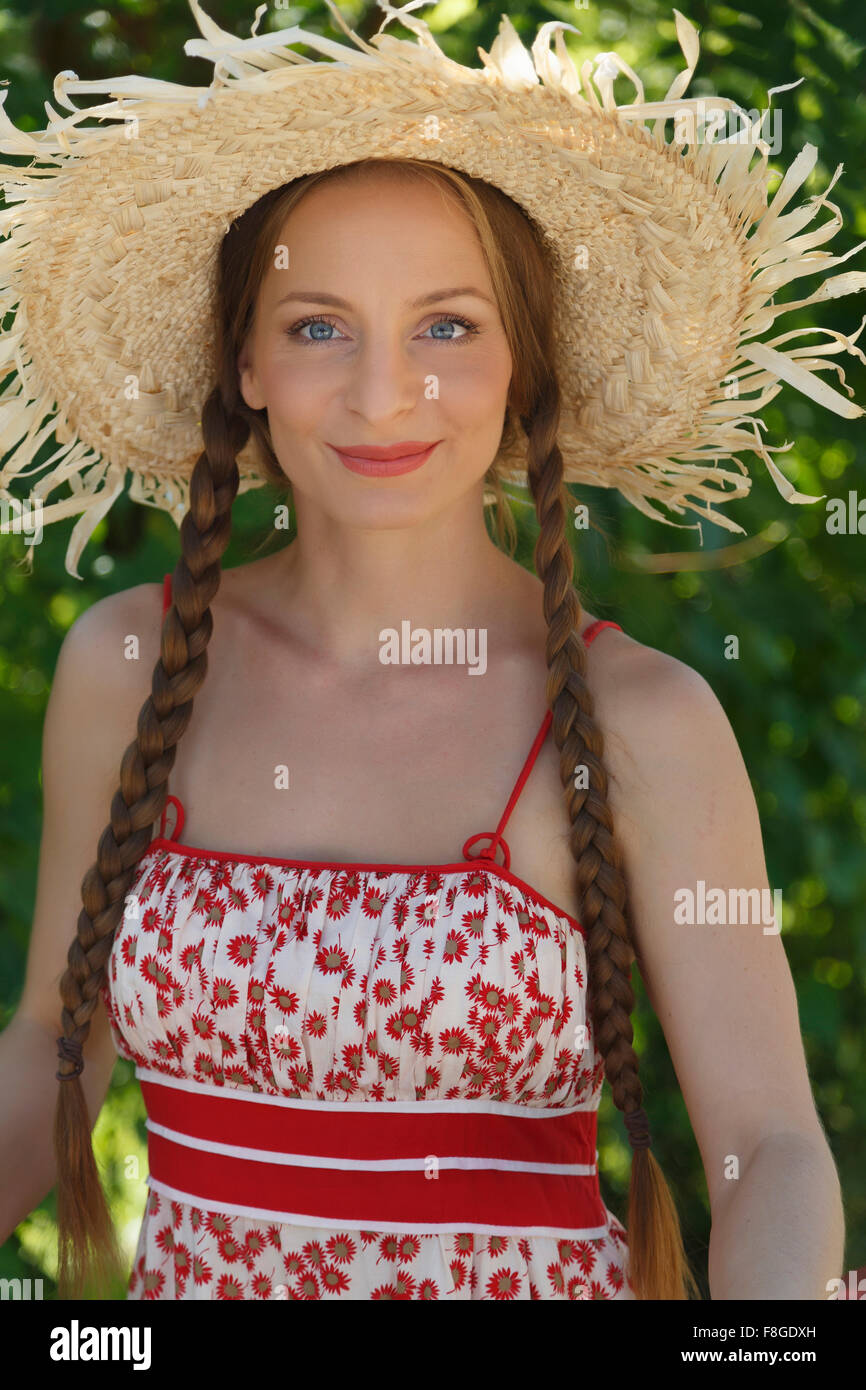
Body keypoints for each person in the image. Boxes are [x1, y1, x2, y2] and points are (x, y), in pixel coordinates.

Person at [0, 1, 855, 1301]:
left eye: (447, 326)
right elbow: (49, 1042)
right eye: (318, 326)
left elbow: (769, 1146)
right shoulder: (128, 663)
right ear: (245, 362)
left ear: (524, 365)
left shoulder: (641, 717)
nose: (382, 393)